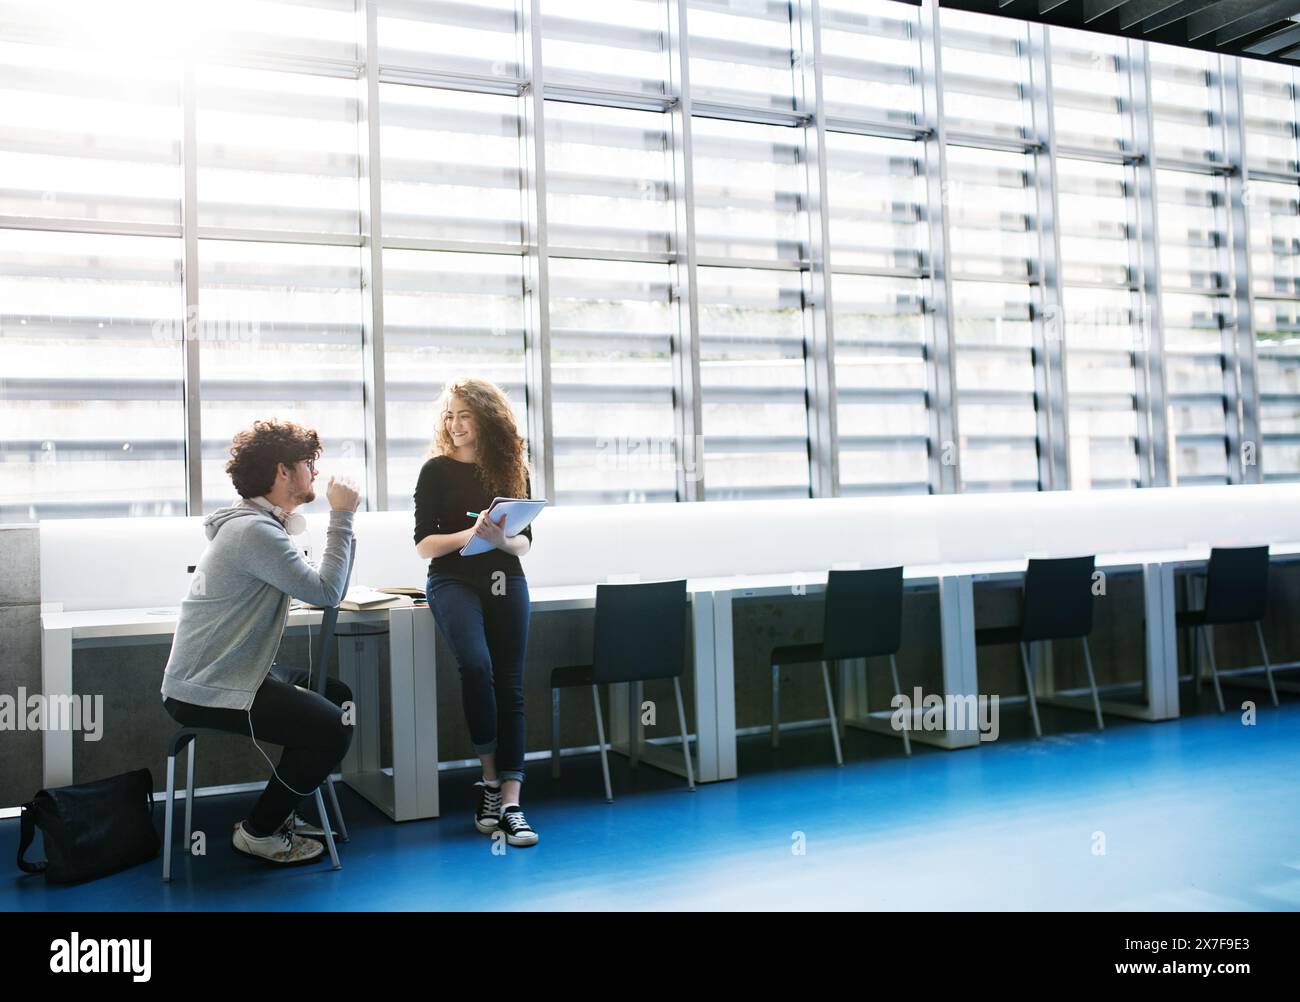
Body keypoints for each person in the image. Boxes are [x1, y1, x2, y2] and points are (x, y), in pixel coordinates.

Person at [160, 419, 361, 866]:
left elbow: (325, 587)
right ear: (283, 472)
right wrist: (343, 516)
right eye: (308, 464)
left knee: (337, 697)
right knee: (332, 725)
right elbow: (327, 592)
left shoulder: (259, 525)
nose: (314, 472)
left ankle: (282, 811)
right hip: (209, 687)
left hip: (235, 674)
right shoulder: (255, 531)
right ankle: (260, 832)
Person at [414, 378, 537, 846]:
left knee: (510, 682)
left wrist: (501, 540)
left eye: (464, 414)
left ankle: (511, 801)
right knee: (477, 664)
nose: (455, 423)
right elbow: (425, 545)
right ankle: (488, 782)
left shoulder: (510, 469)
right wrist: (474, 536)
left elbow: (525, 543)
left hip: (506, 576)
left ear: (486, 417)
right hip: (453, 580)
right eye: (449, 415)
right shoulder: (436, 470)